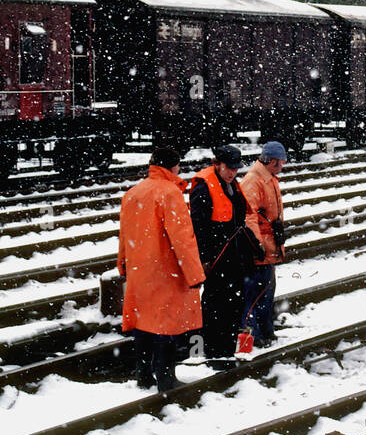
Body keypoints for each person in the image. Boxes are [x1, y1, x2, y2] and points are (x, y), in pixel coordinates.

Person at [116, 146, 205, 392]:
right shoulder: (170, 193)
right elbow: (183, 239)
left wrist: (123, 263)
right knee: (166, 324)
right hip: (165, 271)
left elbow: (125, 234)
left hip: (139, 270)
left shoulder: (133, 193)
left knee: (143, 323)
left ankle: (143, 375)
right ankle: (166, 378)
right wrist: (194, 274)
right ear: (173, 166)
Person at [188, 144, 262, 364]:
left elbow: (238, 222)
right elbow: (198, 227)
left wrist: (253, 244)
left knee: (233, 304)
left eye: (235, 168)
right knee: (215, 305)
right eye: (228, 168)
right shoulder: (204, 187)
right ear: (217, 164)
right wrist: (205, 259)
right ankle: (214, 352)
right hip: (218, 259)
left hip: (234, 257)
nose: (232, 172)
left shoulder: (232, 186)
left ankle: (227, 350)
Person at [239, 141, 288, 347]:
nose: (283, 166)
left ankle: (265, 330)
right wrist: (257, 244)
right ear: (273, 161)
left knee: (266, 291)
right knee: (255, 294)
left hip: (268, 246)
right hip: (260, 248)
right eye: (281, 162)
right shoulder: (254, 181)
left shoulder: (268, 178)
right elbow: (249, 216)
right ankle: (253, 335)